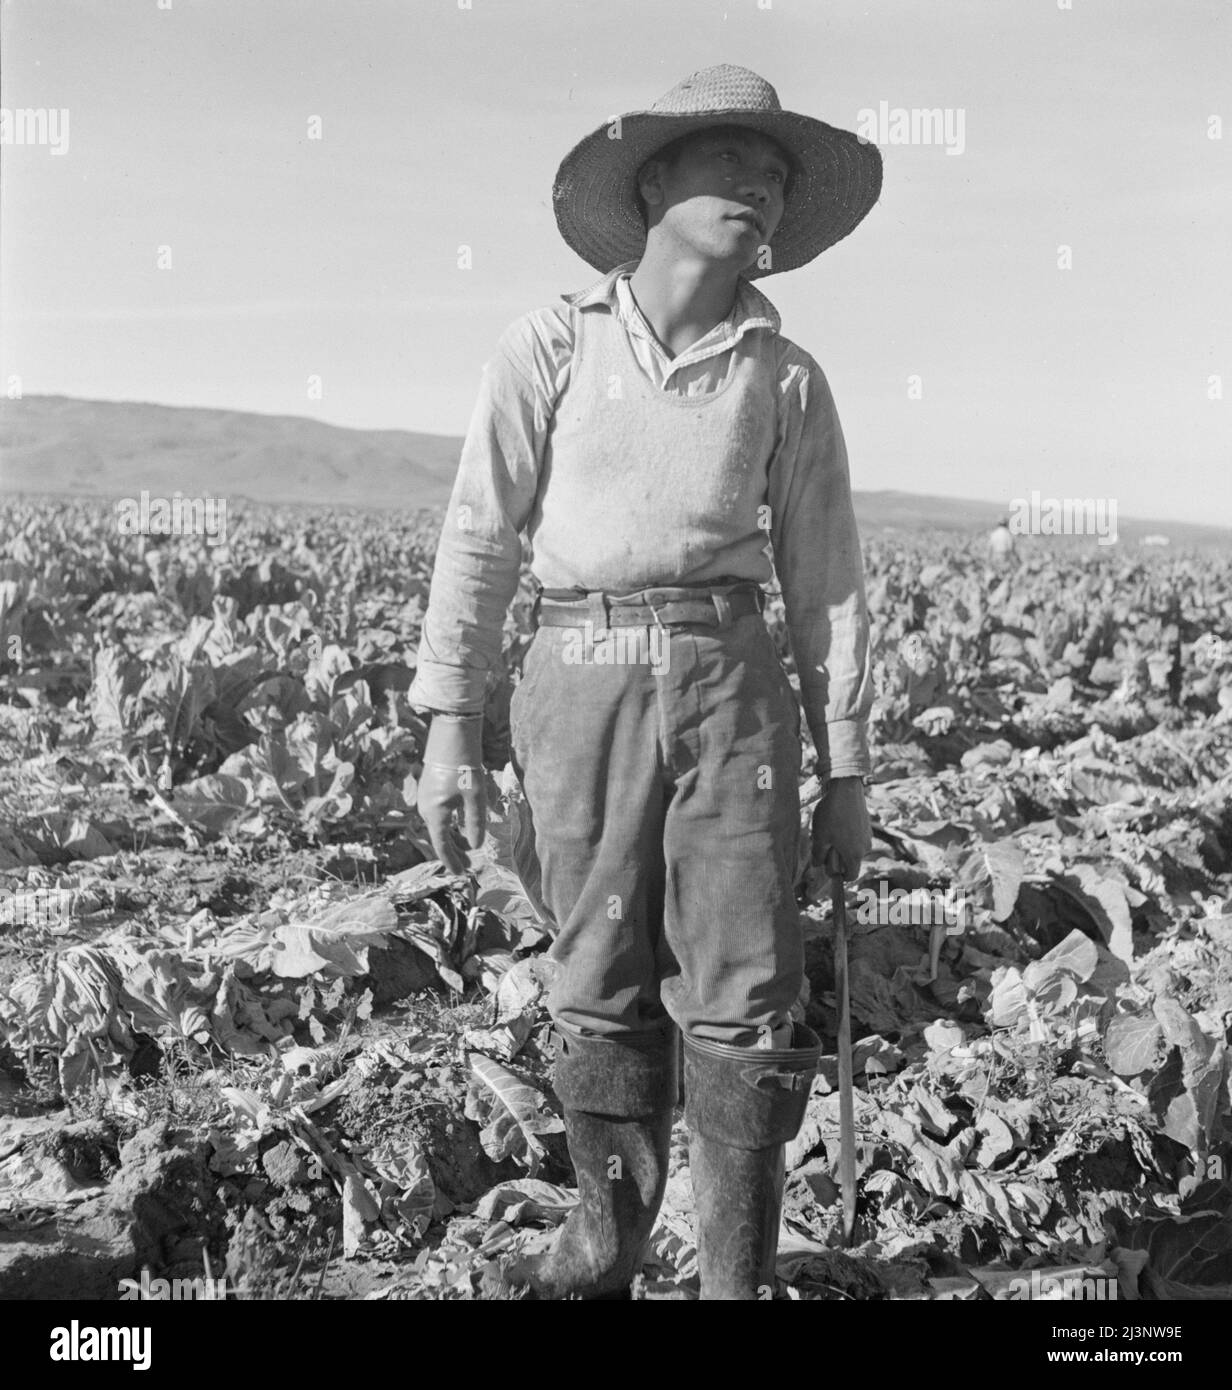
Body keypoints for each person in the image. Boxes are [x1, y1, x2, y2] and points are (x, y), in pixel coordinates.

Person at [409, 64, 881, 1300]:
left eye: (774, 174)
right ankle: (603, 1249)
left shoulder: (784, 378)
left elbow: (824, 582)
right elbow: (479, 535)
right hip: (579, 671)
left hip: (730, 679)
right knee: (597, 968)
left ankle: (731, 1276)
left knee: (743, 984)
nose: (758, 185)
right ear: (654, 182)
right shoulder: (548, 344)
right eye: (730, 160)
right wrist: (449, 726)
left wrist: (846, 768)